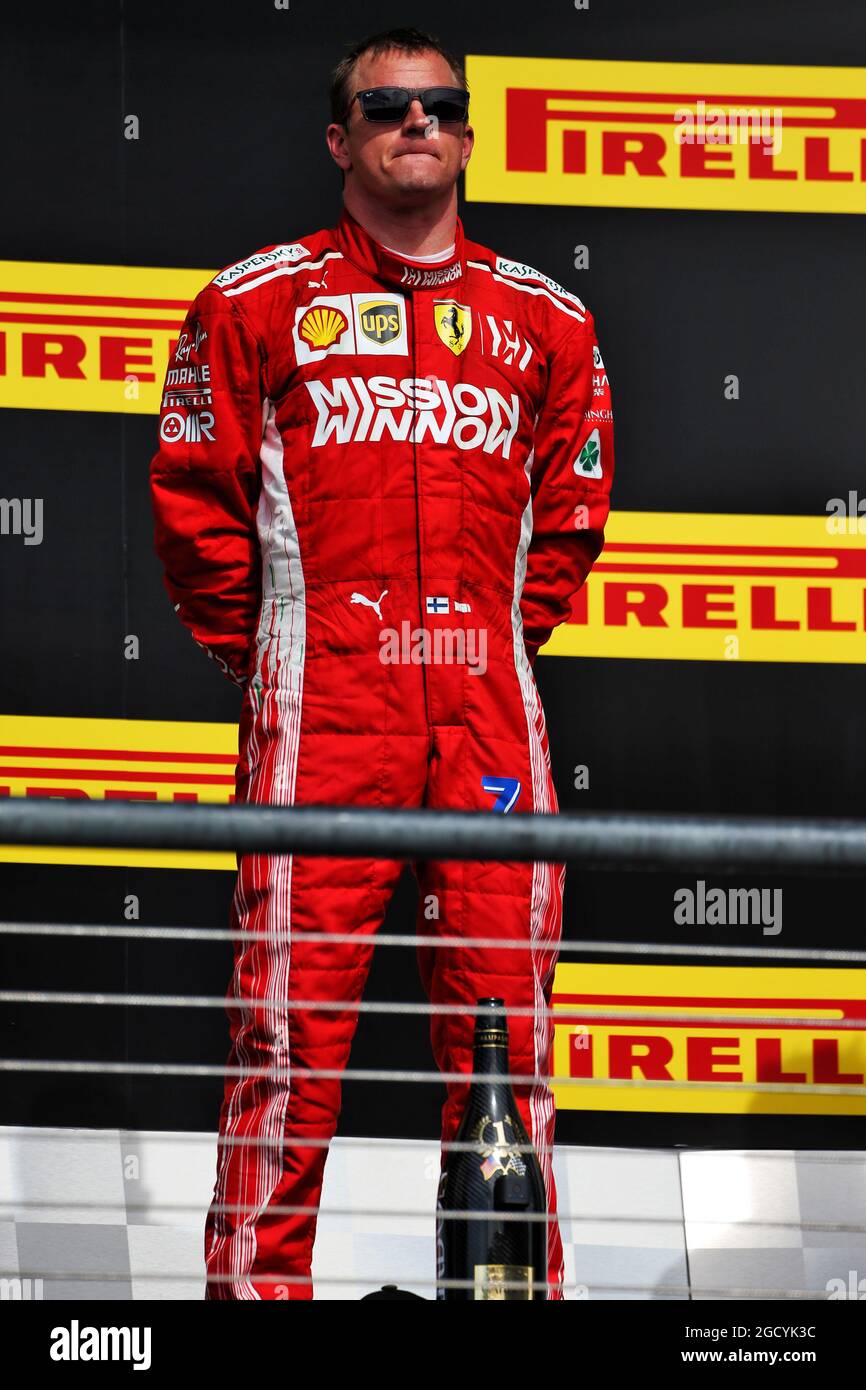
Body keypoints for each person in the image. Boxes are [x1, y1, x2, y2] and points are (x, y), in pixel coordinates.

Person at [150, 25, 615, 1300]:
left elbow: (571, 515)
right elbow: (195, 508)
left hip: (487, 717)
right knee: (287, 1047)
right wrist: (286, 655)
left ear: (467, 134)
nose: (416, 120)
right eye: (385, 103)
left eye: (439, 104)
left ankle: (507, 1296)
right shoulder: (253, 301)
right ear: (339, 135)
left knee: (506, 1049)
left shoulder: (547, 321)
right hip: (323, 709)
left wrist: (474, 646)